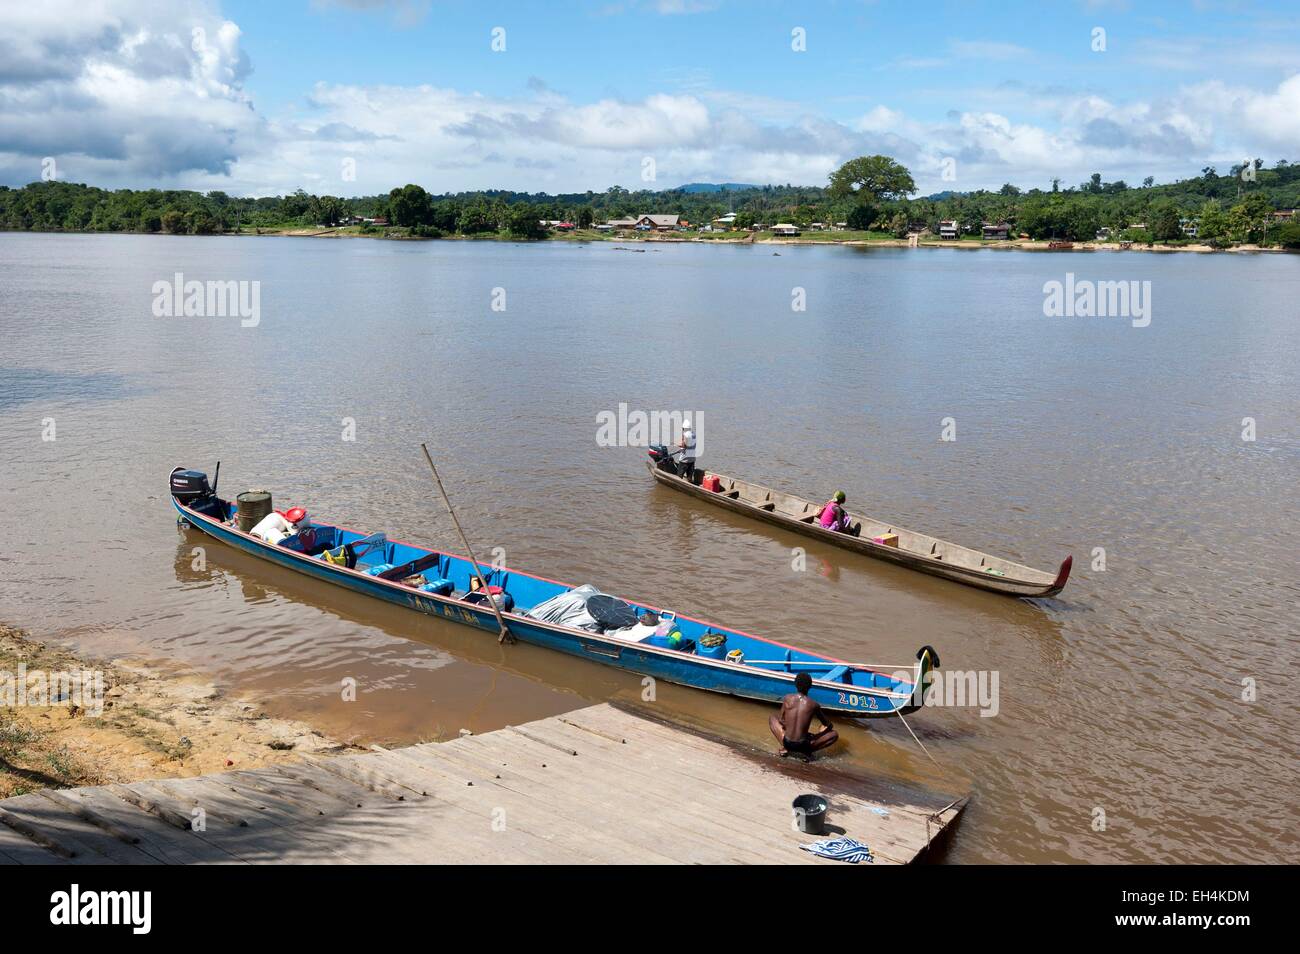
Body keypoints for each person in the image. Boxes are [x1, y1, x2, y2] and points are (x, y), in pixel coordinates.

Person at [769, 672, 838, 760]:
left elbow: (782, 720)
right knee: (834, 734)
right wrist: (816, 735)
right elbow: (829, 725)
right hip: (803, 745)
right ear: (810, 686)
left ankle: (785, 748)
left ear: (795, 684)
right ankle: (807, 752)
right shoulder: (814, 704)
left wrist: (790, 729)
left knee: (772, 717)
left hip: (787, 741)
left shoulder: (787, 698)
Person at [676, 419, 698, 483]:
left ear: (684, 428)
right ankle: (690, 482)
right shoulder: (694, 434)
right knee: (689, 476)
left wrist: (677, 444)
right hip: (692, 458)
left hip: (684, 459)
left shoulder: (685, 434)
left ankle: (679, 486)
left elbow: (684, 445)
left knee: (679, 477)